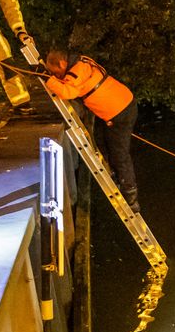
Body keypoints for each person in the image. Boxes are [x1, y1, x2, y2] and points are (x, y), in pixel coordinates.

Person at [42, 48, 141, 212]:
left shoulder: (77, 72)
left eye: (56, 73)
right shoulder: (80, 62)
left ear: (62, 63)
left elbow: (68, 92)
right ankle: (115, 176)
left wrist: (47, 79)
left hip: (120, 112)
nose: (58, 77)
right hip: (118, 106)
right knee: (101, 141)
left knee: (119, 153)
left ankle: (130, 194)